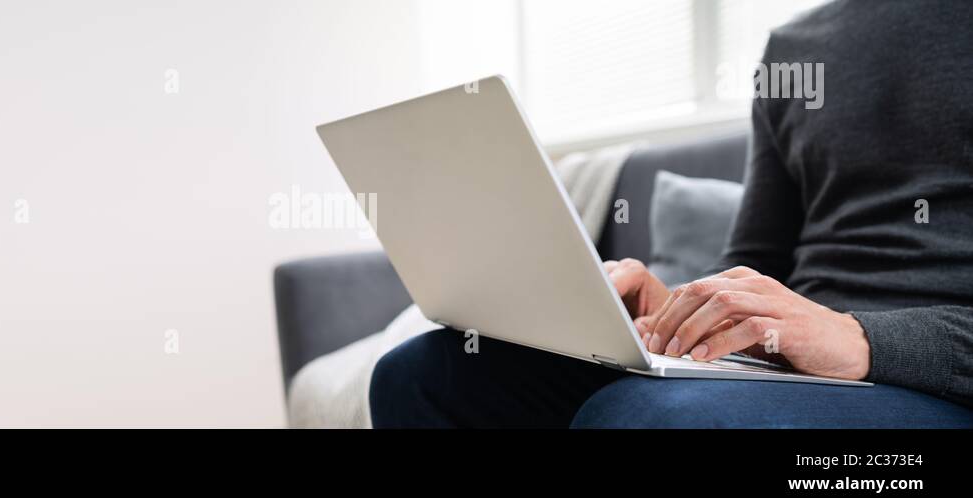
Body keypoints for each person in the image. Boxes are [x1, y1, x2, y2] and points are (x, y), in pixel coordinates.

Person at [368, 0, 973, 428]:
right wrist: (677, 309)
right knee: (423, 376)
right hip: (790, 365)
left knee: (644, 420)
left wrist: (859, 338)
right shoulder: (796, 49)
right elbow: (756, 263)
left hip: (931, 381)